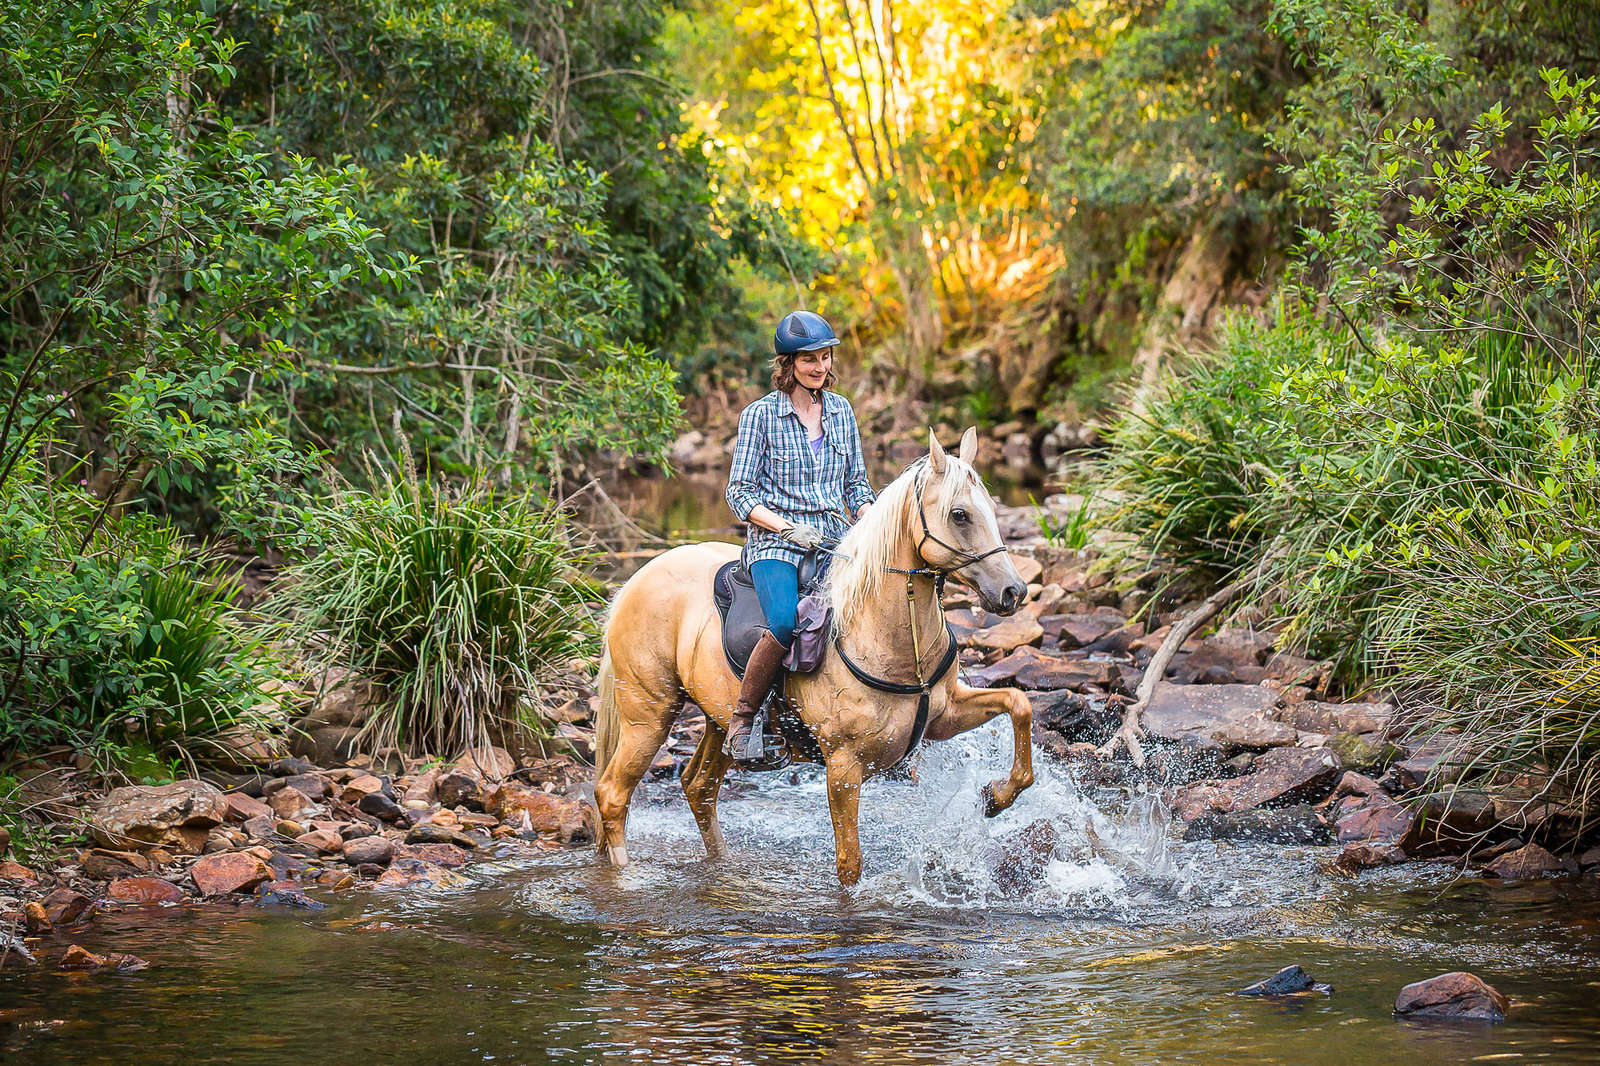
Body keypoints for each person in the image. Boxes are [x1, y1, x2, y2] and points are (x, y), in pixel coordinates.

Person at [723, 310, 875, 765]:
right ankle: (746, 718)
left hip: (834, 536)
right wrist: (787, 527)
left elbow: (856, 487)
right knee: (786, 622)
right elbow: (739, 492)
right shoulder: (760, 416)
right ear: (788, 363)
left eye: (825, 357)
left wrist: (872, 522)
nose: (820, 367)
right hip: (777, 541)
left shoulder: (842, 411)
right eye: (809, 359)